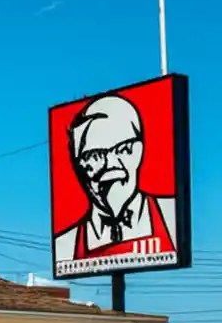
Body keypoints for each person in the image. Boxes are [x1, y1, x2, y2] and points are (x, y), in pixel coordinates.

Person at [54, 94, 177, 263]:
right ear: (77, 165)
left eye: (123, 149)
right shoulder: (65, 249)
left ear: (139, 151)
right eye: (95, 155)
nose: (111, 165)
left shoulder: (172, 217)